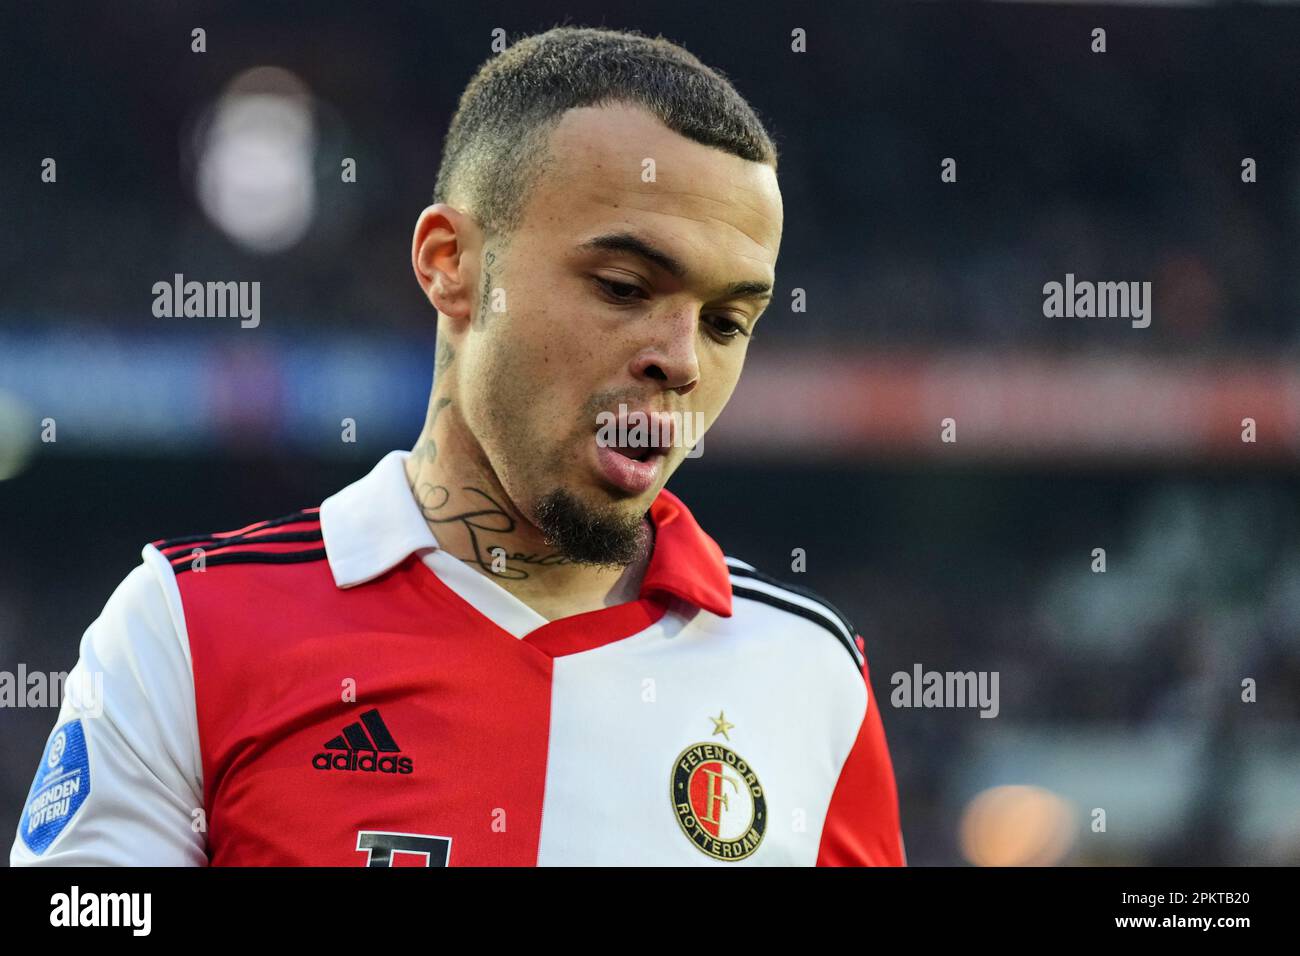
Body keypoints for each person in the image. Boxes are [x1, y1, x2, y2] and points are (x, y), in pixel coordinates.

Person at [12, 25, 904, 866]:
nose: (679, 361)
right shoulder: (185, 627)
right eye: (625, 285)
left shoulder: (809, 673)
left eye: (727, 321)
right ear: (452, 263)